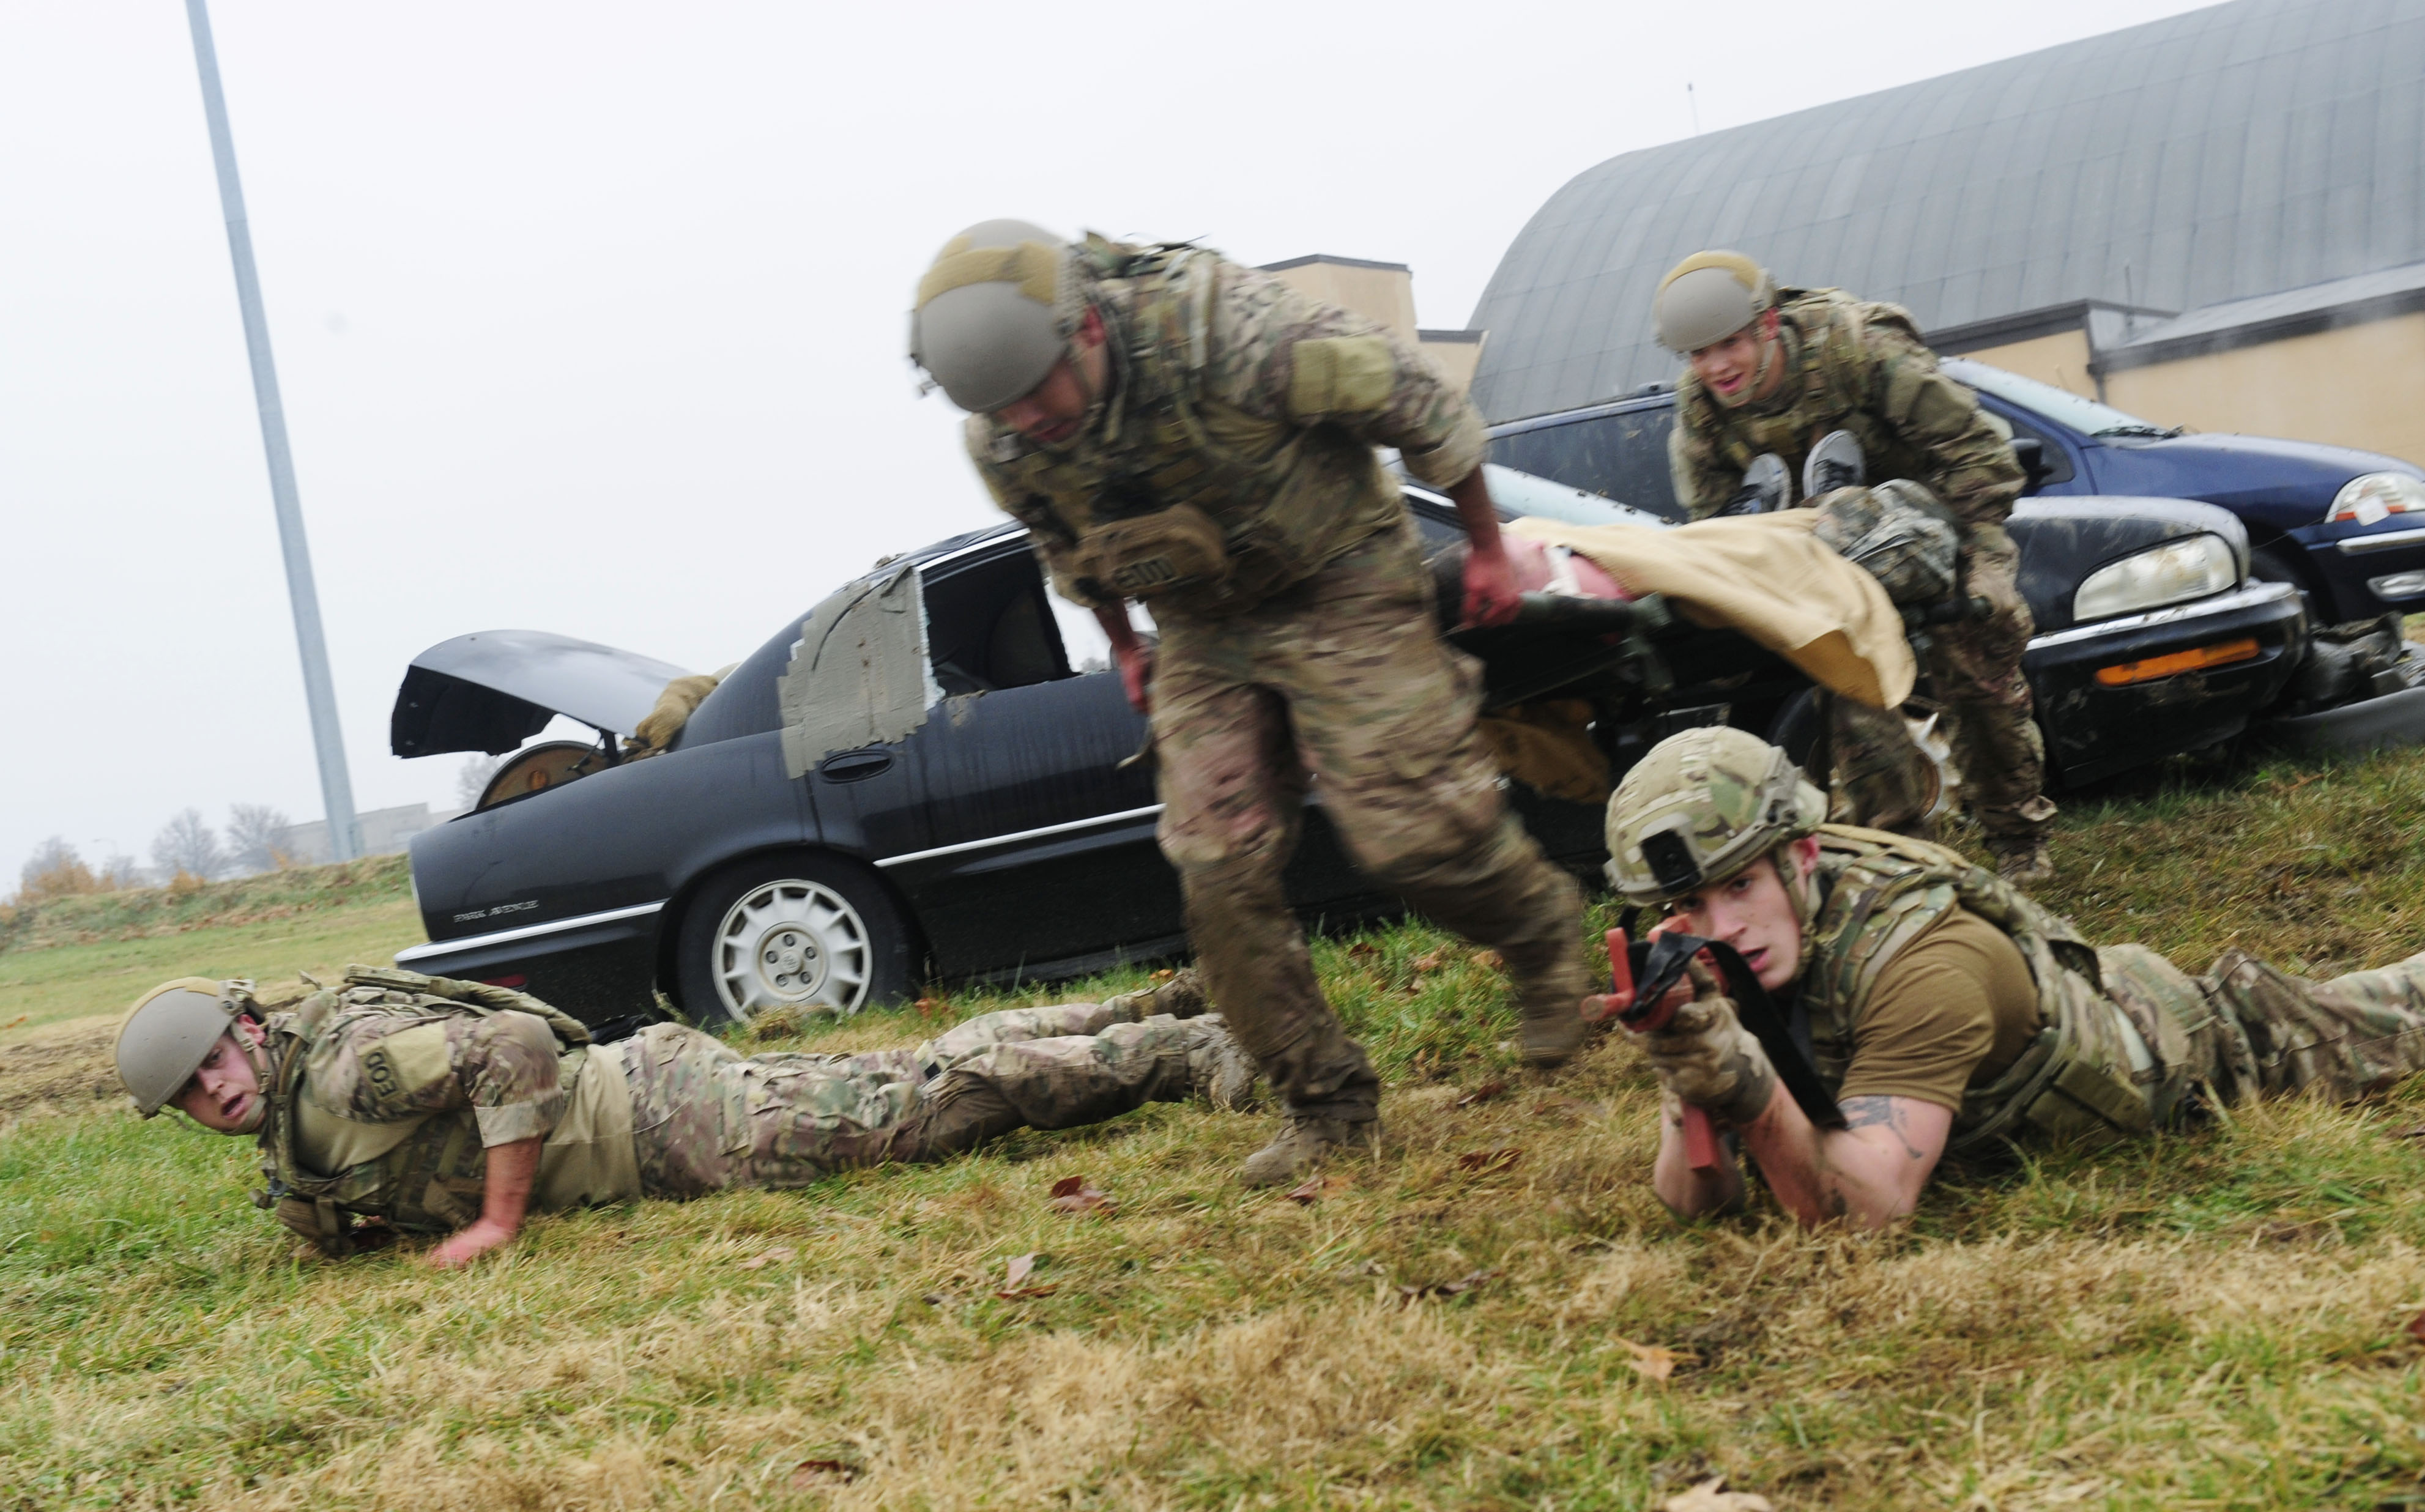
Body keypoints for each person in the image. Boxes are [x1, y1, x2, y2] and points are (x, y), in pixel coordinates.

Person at [909, 220, 1590, 1185]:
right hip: (1200, 621)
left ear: (1086, 330)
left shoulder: (1221, 331)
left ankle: (1540, 935)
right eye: (1001, 409)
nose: (1025, 420)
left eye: (1036, 393)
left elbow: (1415, 402)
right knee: (1216, 869)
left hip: (1339, 569)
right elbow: (1067, 539)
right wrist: (1124, 646)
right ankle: (1328, 1104)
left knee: (1407, 834)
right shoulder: (1005, 432)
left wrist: (1484, 546)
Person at [1593, 725, 2425, 1229]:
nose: (1723, 927)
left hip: (2187, 1046)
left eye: (1741, 885)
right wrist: (1686, 1066)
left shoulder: (1920, 964)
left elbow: (1864, 1216)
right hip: (2015, 1052)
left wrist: (1745, 1087)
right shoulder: (1718, 956)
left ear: (1802, 856)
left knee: (2388, 1016)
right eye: (1690, 903)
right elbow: (1695, 1203)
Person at [113, 963, 1247, 1265]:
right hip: (657, 1099)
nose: (215, 1089)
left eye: (214, 1060)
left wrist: (500, 1220)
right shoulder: (293, 1139)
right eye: (191, 1094)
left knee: (922, 1112)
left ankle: (1176, 1049)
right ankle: (1126, 1008)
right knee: (903, 1072)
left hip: (666, 1120)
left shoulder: (340, 1071)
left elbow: (509, 1048)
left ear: (247, 1028)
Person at [1653, 250, 2058, 881]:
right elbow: (1713, 526)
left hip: (1933, 524)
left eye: (1727, 345)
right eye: (1697, 355)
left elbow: (1976, 452)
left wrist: (1981, 559)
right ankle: (1903, 859)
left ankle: (2017, 840)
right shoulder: (1702, 411)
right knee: (1849, 678)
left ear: (1766, 324)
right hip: (1819, 558)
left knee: (1978, 663)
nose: (1715, 368)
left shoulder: (1854, 346)